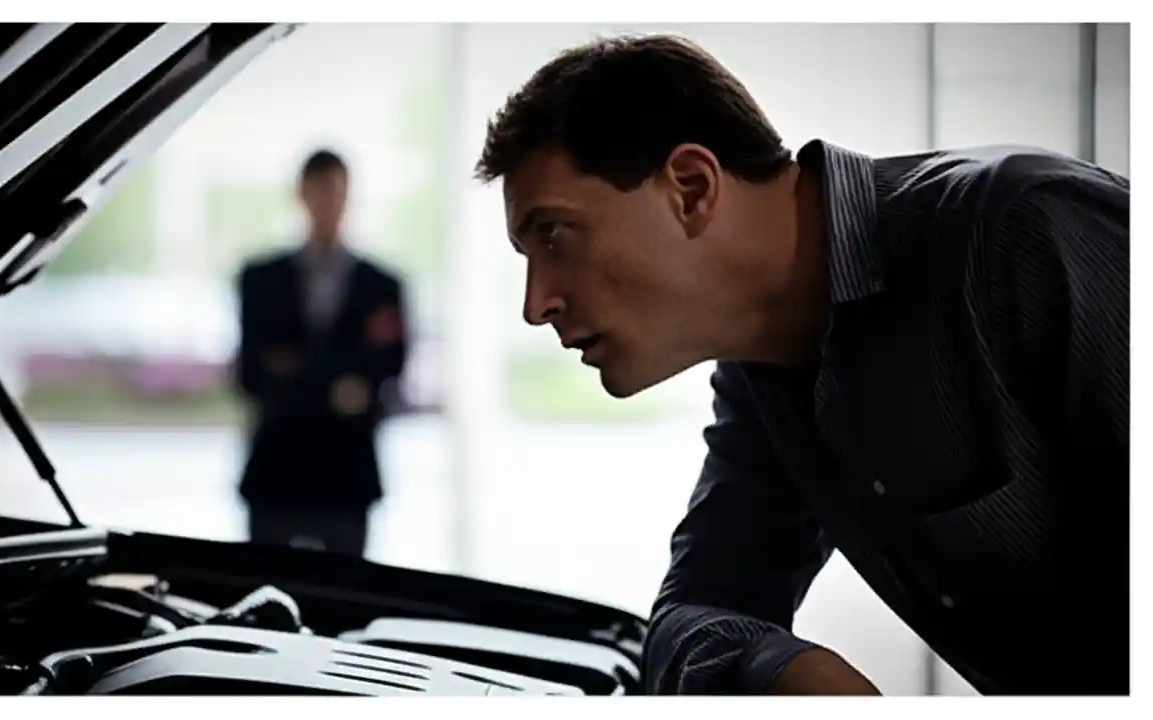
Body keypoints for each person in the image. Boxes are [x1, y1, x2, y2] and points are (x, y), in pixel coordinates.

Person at [474, 35, 1128, 695]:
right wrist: (775, 667)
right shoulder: (767, 369)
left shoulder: (1024, 231)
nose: (536, 305)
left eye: (553, 234)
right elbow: (693, 608)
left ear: (692, 189)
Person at [234, 149, 408, 557]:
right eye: (320, 190)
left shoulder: (382, 285)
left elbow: (392, 371)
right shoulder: (262, 279)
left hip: (346, 475)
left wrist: (296, 372)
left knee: (345, 601)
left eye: (336, 191)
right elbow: (250, 374)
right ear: (301, 194)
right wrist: (340, 384)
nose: (328, 201)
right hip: (277, 472)